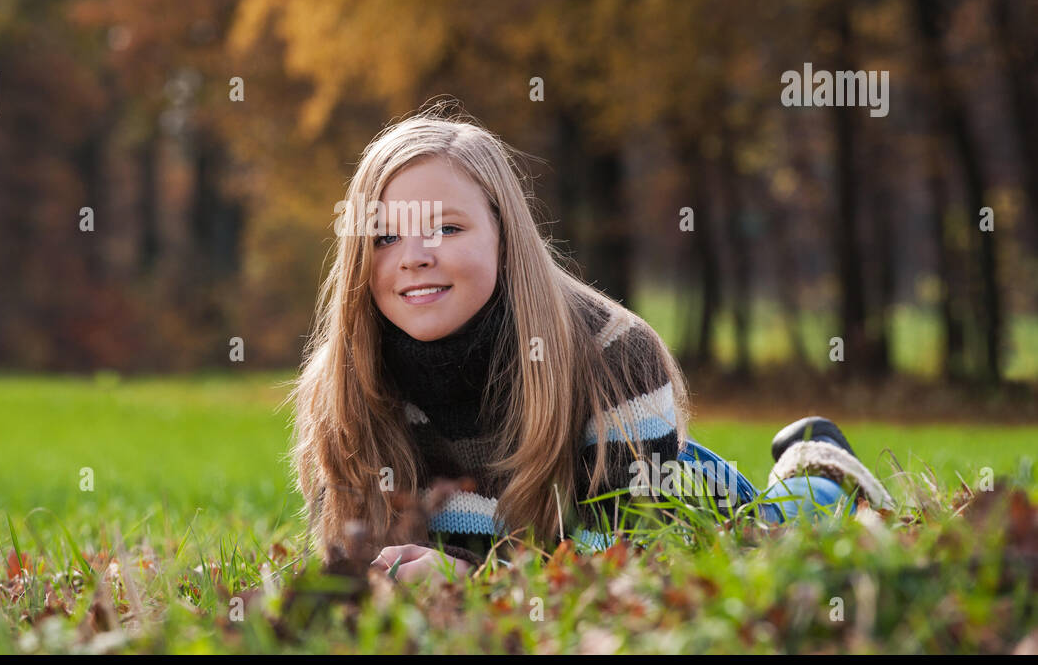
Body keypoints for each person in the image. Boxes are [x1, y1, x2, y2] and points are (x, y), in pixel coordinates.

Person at [287, 103, 894, 584]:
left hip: (669, 494)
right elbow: (348, 553)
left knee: (776, 526)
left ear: (505, 234)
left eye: (447, 227)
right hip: (561, 504)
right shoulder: (338, 383)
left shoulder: (614, 354)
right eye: (386, 235)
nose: (415, 256)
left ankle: (812, 470)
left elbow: (636, 551)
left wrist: (482, 580)